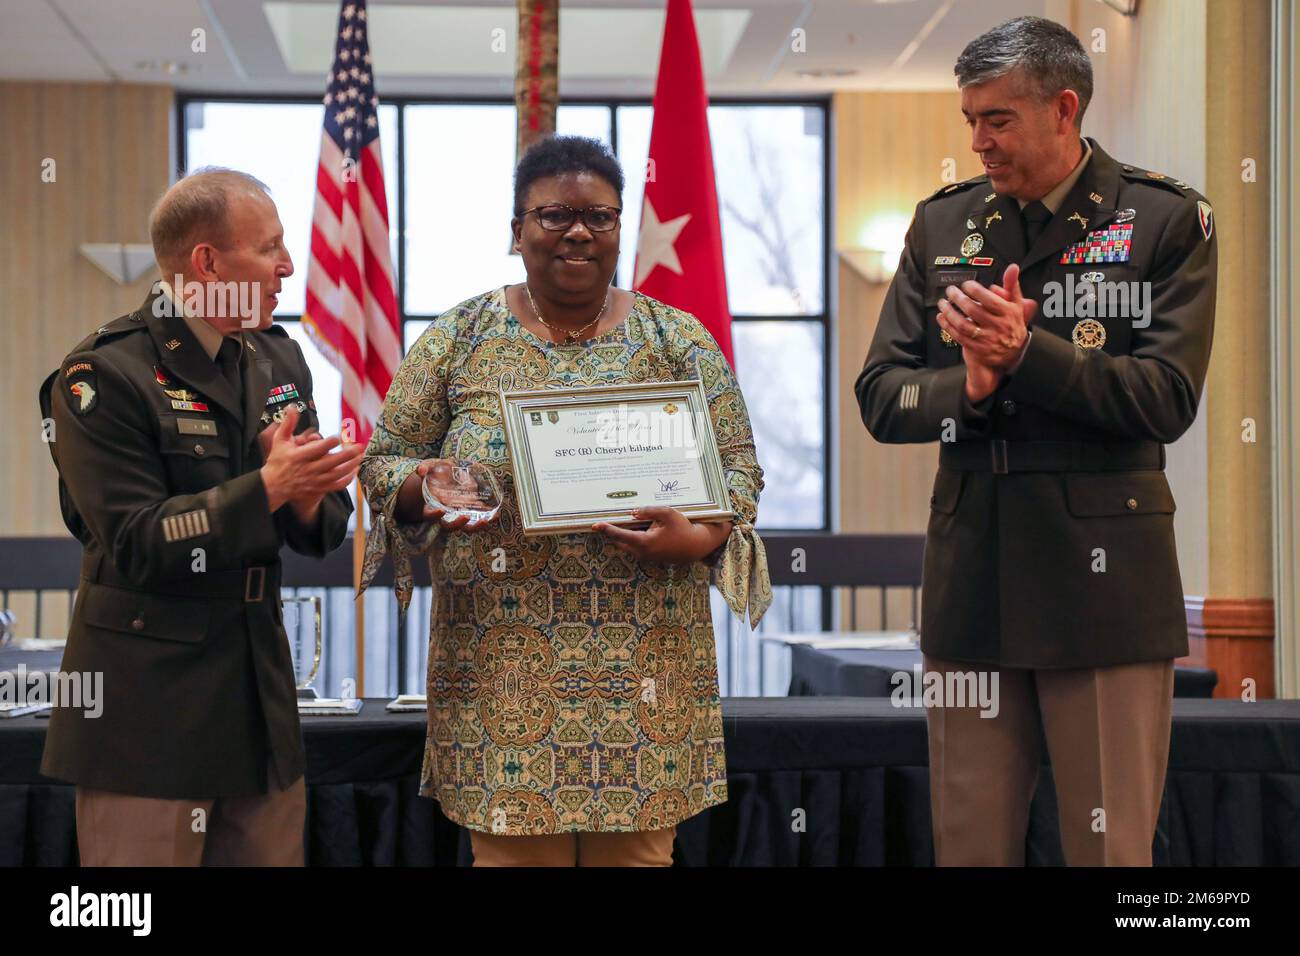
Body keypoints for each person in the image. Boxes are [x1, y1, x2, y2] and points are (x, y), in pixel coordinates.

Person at [855, 17, 1217, 865]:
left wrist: (1028, 356)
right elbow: (882, 395)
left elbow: (1166, 399)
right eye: (970, 120)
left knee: (1109, 851)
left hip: (1103, 589)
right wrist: (971, 388)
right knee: (969, 845)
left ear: (1063, 108)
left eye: (998, 120)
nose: (978, 142)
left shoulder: (1163, 220)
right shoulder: (943, 227)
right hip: (971, 578)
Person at [358, 135, 771, 867]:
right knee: (511, 860)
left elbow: (738, 468)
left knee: (641, 860)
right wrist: (429, 486)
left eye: (600, 216)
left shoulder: (677, 339)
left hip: (646, 661)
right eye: (553, 214)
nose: (578, 231)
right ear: (516, 230)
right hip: (502, 661)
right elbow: (383, 460)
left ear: (619, 229)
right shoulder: (459, 337)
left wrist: (703, 537)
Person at [39, 167, 362, 866]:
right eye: (268, 248)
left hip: (257, 688)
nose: (287, 267)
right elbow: (136, 540)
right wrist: (268, 490)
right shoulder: (104, 375)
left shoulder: (276, 355)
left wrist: (307, 493)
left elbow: (320, 524)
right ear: (208, 263)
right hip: (148, 704)